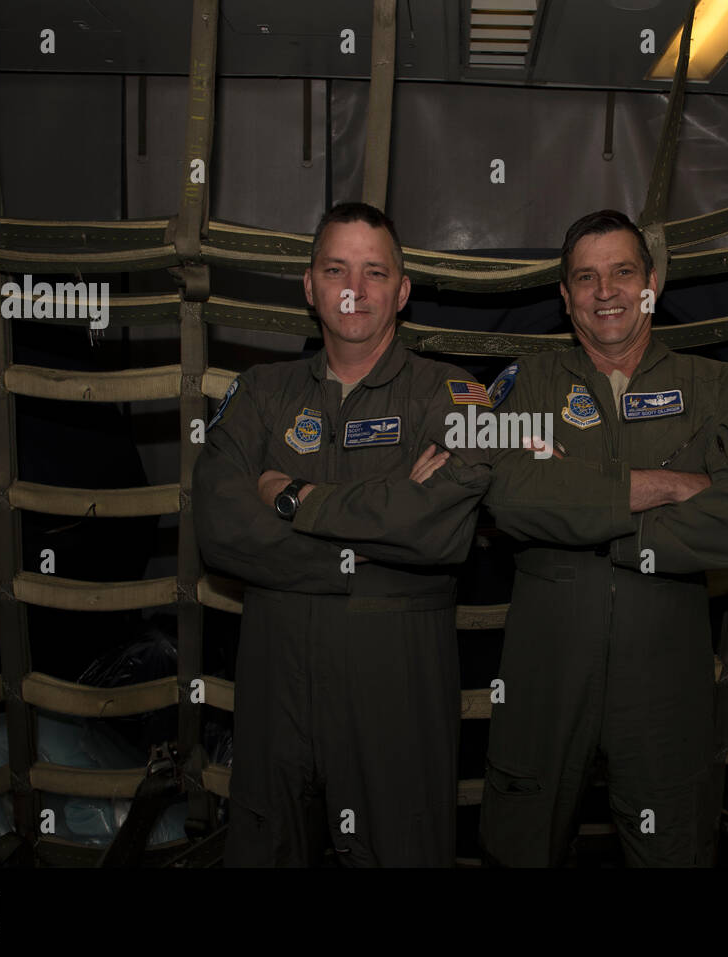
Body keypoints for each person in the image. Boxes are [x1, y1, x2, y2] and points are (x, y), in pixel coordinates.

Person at [478, 209, 728, 866]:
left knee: (672, 843)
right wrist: (670, 484)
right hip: (545, 671)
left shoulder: (714, 388)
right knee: (520, 842)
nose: (605, 291)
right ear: (565, 297)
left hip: (665, 676)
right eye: (585, 278)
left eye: (622, 272)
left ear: (651, 282)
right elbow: (510, 495)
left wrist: (586, 512)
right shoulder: (527, 385)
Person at [192, 202, 491, 866]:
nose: (354, 288)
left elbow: (440, 530)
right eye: (335, 268)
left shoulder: (455, 395)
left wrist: (293, 498)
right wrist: (379, 554)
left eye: (374, 271)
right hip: (276, 684)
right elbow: (219, 529)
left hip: (397, 687)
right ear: (309, 286)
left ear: (402, 291)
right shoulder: (260, 393)